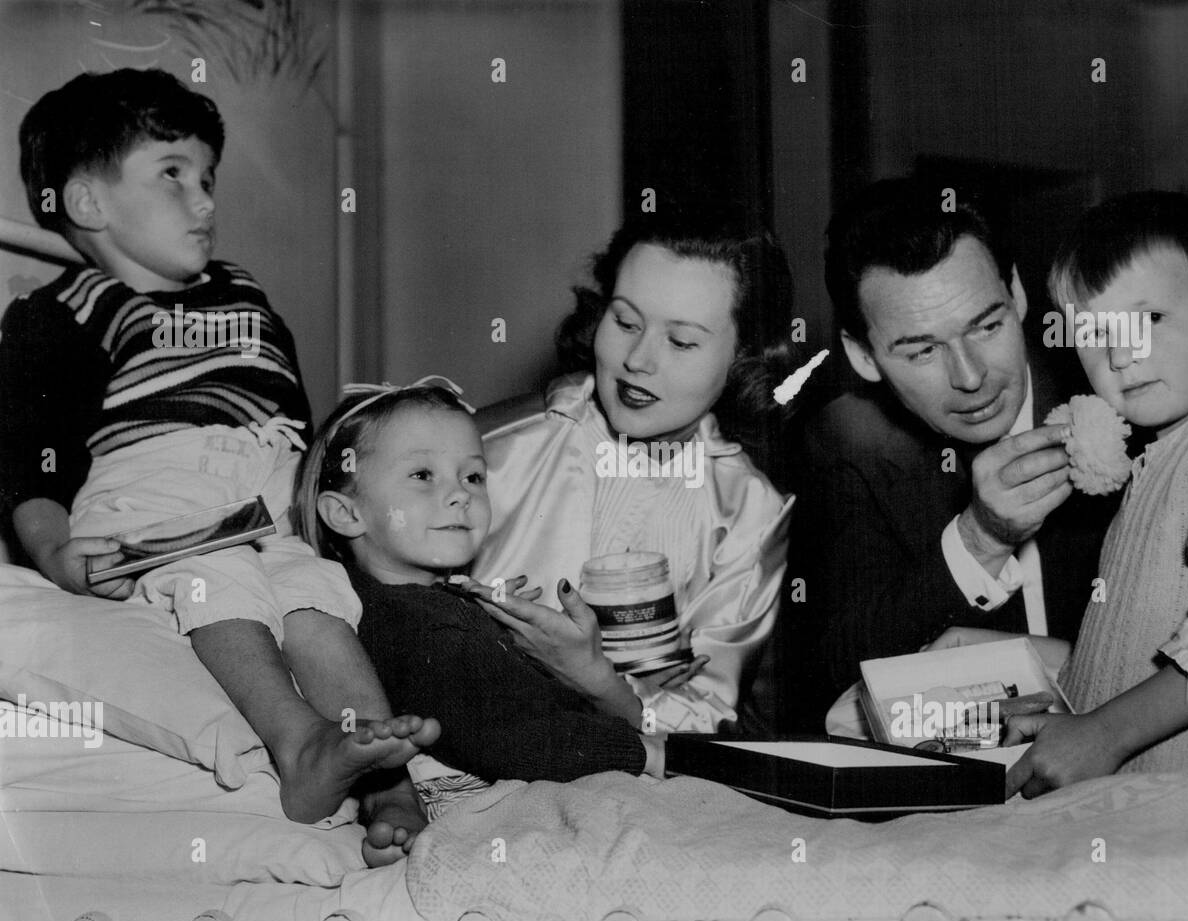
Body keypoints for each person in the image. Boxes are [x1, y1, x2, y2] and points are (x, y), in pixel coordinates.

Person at [0, 69, 436, 844]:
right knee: (220, 578)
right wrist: (55, 551)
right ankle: (299, 745)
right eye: (172, 175)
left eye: (208, 178)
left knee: (315, 595)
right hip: (153, 481)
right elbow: (29, 462)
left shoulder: (242, 290)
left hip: (268, 483)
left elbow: (293, 414)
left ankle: (383, 773)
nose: (205, 201)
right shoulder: (61, 312)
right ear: (87, 204)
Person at [779, 178, 1117, 733]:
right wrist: (981, 538)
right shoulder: (844, 446)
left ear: (1018, 293)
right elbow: (826, 676)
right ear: (863, 356)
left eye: (987, 326)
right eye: (923, 350)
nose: (971, 377)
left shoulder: (1120, 394)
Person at [994, 191, 1188, 795]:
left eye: (1150, 320)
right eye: (1093, 333)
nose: (1121, 355)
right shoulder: (1153, 466)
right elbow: (1142, 650)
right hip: (1147, 825)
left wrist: (1104, 732)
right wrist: (1026, 658)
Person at [469, 205, 797, 733]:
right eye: (624, 321)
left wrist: (594, 679)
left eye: (682, 341)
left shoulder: (750, 511)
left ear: (744, 358)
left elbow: (702, 719)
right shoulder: (494, 446)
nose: (638, 359)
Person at [296, 377, 665, 820]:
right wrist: (645, 752)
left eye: (473, 476)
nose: (460, 494)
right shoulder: (415, 619)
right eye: (422, 475)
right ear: (346, 513)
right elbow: (505, 738)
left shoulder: (437, 606)